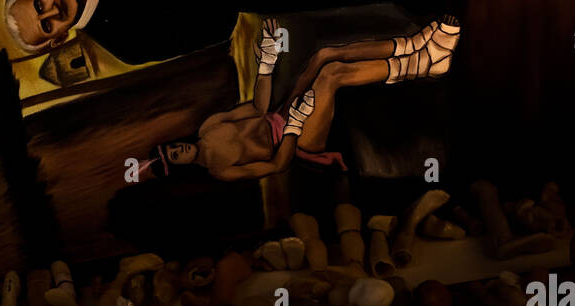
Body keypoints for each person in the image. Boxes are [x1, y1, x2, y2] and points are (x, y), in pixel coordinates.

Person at [139, 16, 460, 182]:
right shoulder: (221, 170)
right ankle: (419, 66)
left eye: (172, 147)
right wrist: (292, 127)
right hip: (300, 142)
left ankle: (414, 46)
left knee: (325, 54)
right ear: (181, 167)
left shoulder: (209, 127)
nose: (177, 149)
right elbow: (278, 166)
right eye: (175, 156)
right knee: (331, 75)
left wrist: (266, 64)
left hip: (280, 113)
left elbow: (257, 108)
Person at [3, 0, 400, 65]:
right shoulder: (123, 44)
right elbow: (214, 29)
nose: (52, 9)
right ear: (57, 39)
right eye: (46, 24)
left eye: (39, 4)